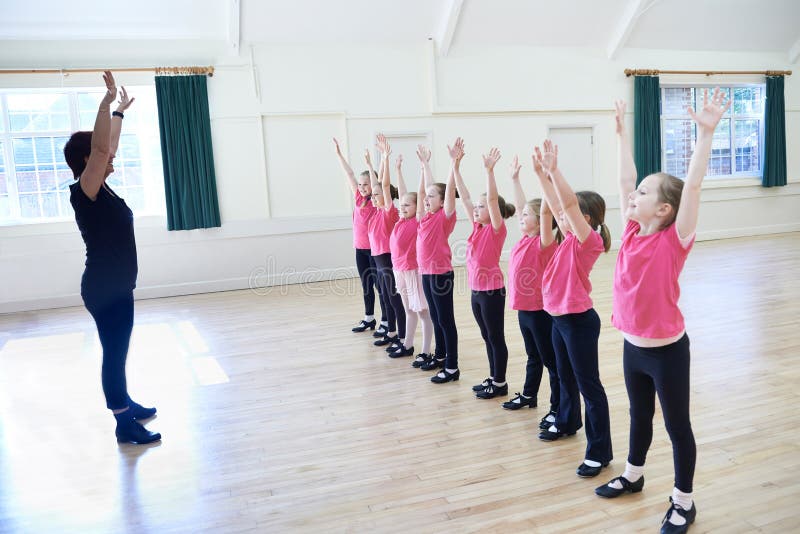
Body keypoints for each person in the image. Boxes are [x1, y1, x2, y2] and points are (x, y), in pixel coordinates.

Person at [595, 90, 730, 534]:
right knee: (638, 416)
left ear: (665, 209)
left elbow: (692, 185)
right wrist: (619, 136)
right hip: (633, 348)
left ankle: (683, 501)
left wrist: (705, 135)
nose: (633, 195)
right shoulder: (632, 230)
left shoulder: (675, 238)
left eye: (644, 192)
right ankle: (634, 475)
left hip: (668, 353)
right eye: (636, 192)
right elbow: (622, 181)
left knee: (677, 425)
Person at [64, 71, 160, 445]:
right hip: (105, 289)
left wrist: (119, 113)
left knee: (119, 352)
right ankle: (123, 423)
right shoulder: (84, 191)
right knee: (114, 354)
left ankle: (125, 403)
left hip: (117, 286)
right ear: (87, 159)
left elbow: (108, 146)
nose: (111, 155)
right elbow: (103, 150)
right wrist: (104, 103)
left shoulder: (102, 188)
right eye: (100, 153)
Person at [535, 140, 613, 480]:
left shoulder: (588, 241)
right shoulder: (569, 236)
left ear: (586, 219)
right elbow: (556, 204)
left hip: (579, 322)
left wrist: (555, 170)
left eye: (571, 215)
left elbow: (564, 202)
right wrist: (541, 175)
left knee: (588, 386)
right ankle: (567, 422)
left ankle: (600, 452)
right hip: (558, 319)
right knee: (564, 376)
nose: (563, 218)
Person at [451, 141, 515, 399]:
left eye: (481, 207)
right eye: (476, 208)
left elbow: (490, 199)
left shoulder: (496, 229)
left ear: (493, 210)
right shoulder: (477, 227)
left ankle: (500, 383)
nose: (476, 209)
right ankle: (493, 376)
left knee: (495, 336)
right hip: (477, 292)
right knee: (486, 336)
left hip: (491, 292)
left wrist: (490, 172)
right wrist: (455, 166)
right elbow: (464, 197)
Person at [503, 154, 559, 427]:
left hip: (539, 310)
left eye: (526, 216)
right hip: (523, 309)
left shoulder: (544, 243)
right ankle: (528, 395)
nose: (520, 217)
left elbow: (544, 211)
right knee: (532, 356)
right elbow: (523, 205)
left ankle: (556, 407)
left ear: (540, 222)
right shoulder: (525, 238)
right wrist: (514, 179)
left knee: (551, 362)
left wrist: (547, 179)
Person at [333, 138, 387, 335]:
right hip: (360, 249)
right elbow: (348, 174)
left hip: (376, 251)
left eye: (367, 184)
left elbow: (380, 179)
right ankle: (369, 317)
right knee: (366, 285)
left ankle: (386, 320)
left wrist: (376, 162)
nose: (363, 187)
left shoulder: (377, 201)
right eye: (361, 184)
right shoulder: (358, 197)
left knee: (381, 286)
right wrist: (339, 155)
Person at [416, 143, 460, 383]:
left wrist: (454, 165)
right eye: (427, 196)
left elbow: (449, 191)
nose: (425, 198)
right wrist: (425, 166)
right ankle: (441, 356)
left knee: (445, 320)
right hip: (426, 273)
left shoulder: (444, 217)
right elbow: (427, 190)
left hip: (441, 274)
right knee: (435, 316)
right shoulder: (426, 217)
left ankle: (452, 367)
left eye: (432, 197)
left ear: (443, 202)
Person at [387, 152, 435, 360]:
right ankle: (407, 345)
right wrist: (397, 170)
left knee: (423, 312)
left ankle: (425, 350)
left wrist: (424, 168)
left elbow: (422, 193)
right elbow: (404, 193)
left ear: (418, 208)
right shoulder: (400, 221)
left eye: (407, 205)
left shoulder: (418, 221)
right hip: (399, 270)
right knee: (408, 311)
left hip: (414, 270)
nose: (402, 207)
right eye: (402, 204)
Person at [365, 138, 406, 350]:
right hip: (378, 262)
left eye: (376, 195)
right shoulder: (376, 212)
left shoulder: (390, 212)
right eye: (372, 195)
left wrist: (386, 159)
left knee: (395, 299)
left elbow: (385, 186)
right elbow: (377, 185)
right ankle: (391, 332)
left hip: (389, 261)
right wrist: (374, 164)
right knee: (387, 300)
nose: (373, 197)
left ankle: (403, 338)